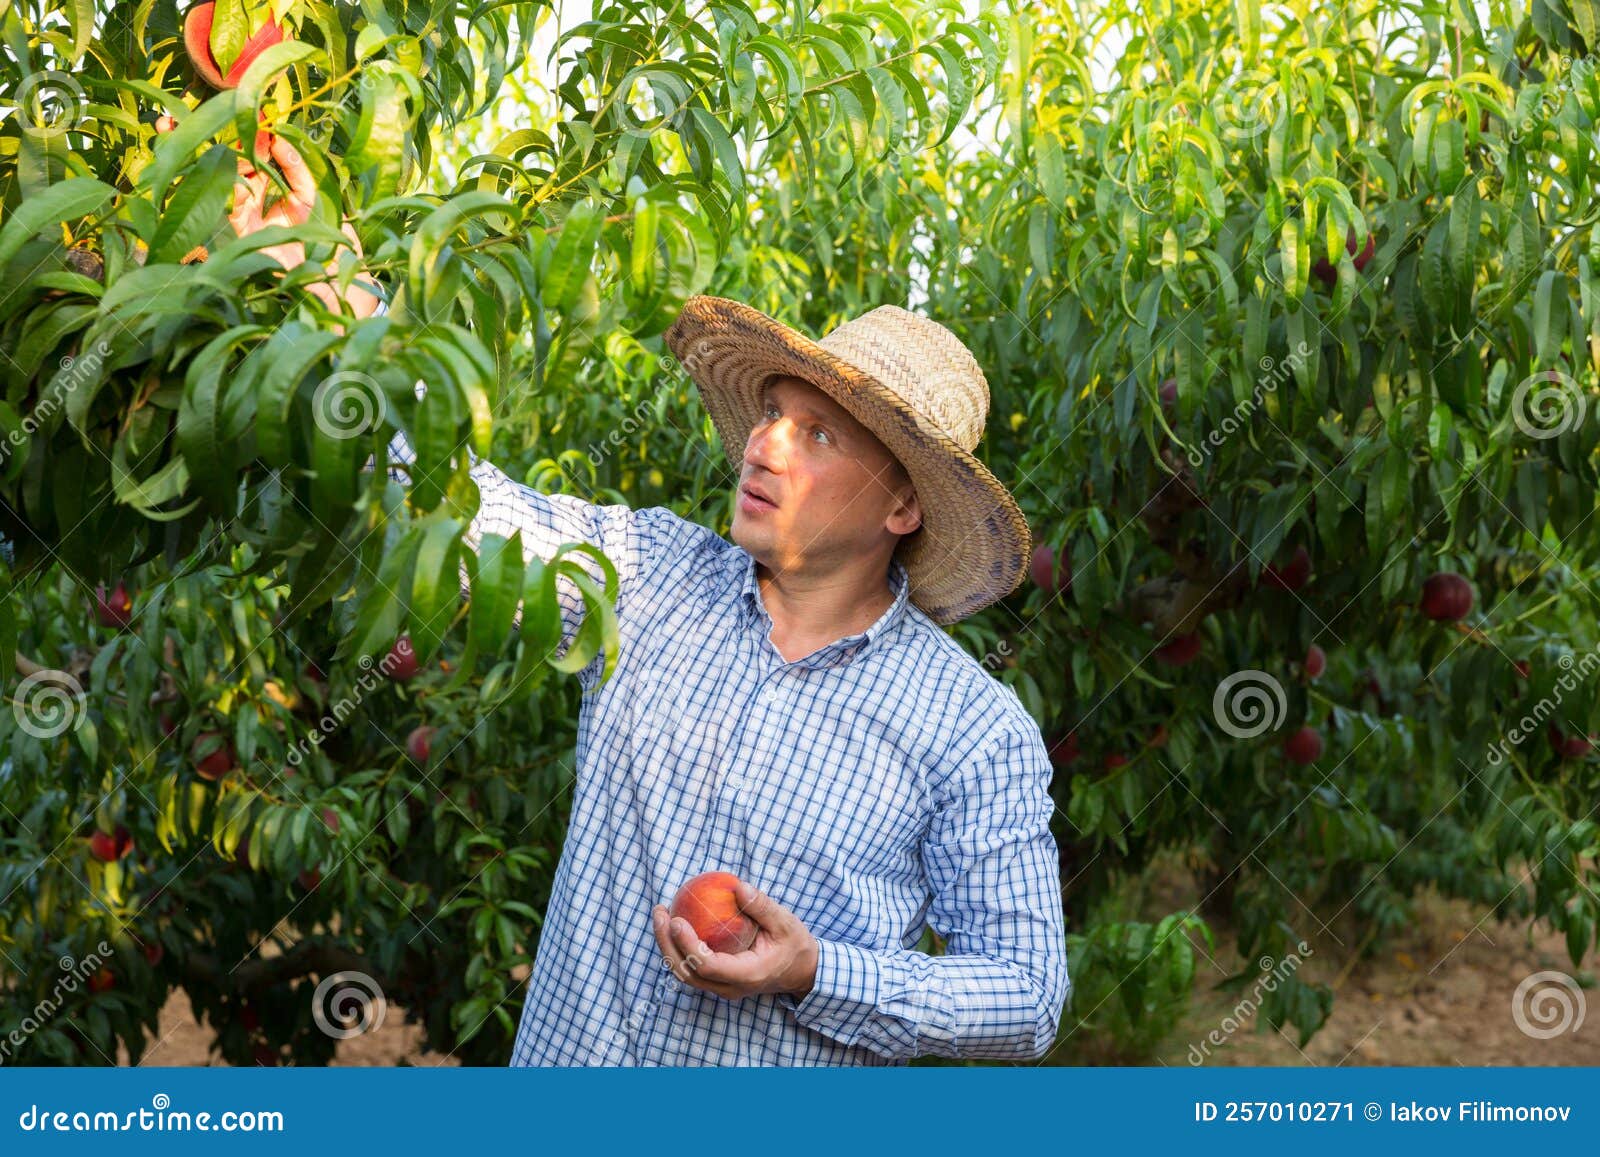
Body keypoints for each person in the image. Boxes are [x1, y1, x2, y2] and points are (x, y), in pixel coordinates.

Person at [222, 131, 1069, 1066]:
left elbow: (1027, 996)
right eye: (773, 416)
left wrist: (817, 970)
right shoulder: (649, 573)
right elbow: (462, 512)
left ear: (904, 504)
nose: (766, 446)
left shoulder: (970, 728)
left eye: (820, 436)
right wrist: (338, 295)